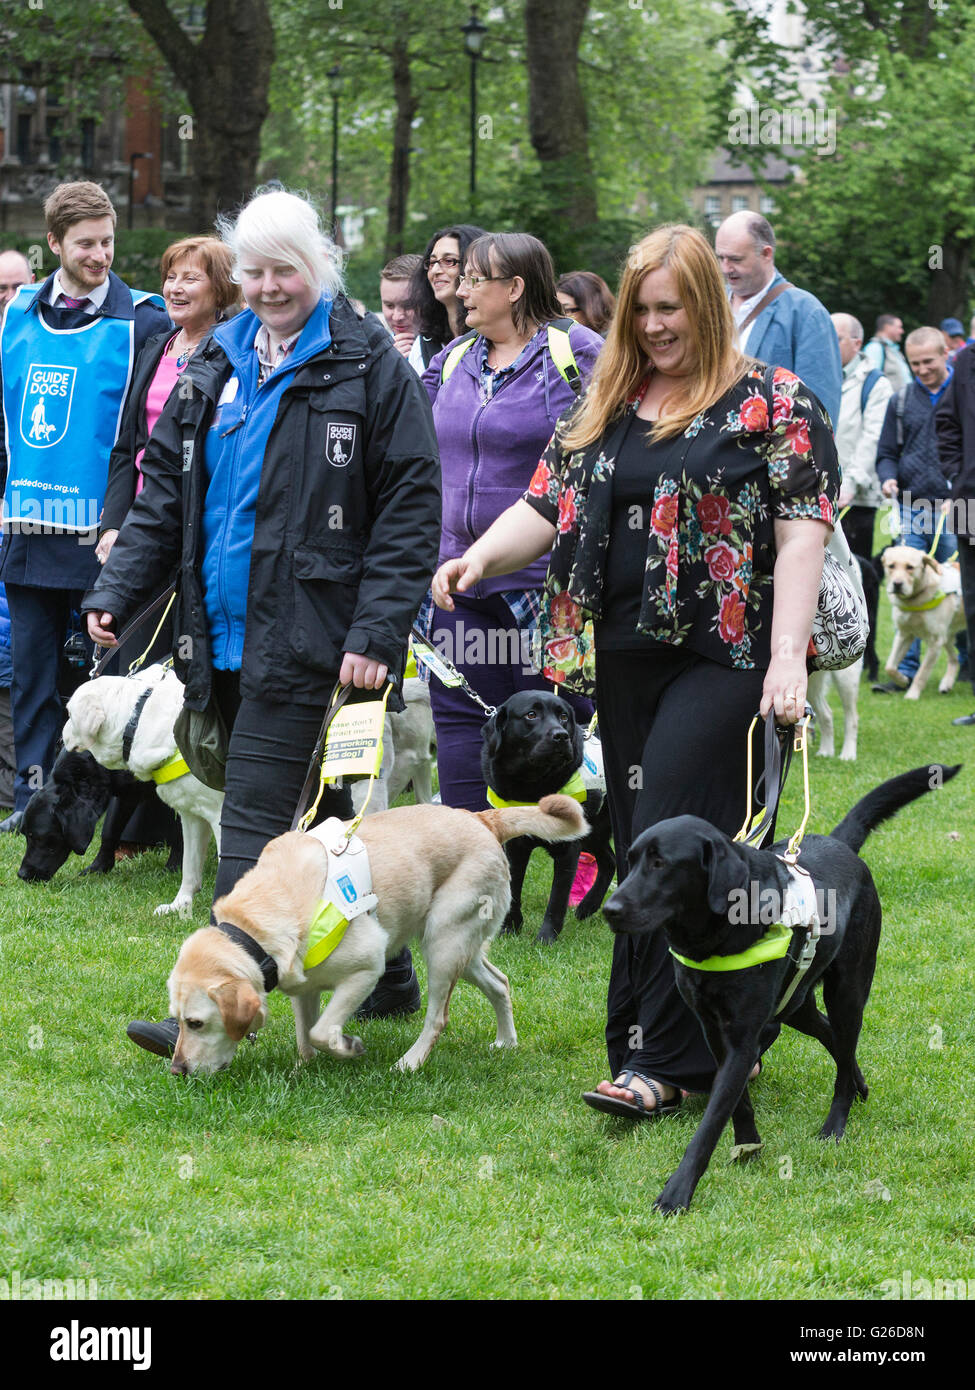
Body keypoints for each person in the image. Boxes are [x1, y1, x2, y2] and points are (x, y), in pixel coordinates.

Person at [433, 223, 839, 1116]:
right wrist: (479, 560)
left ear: (707, 305)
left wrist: (784, 665)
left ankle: (663, 1063)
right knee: (667, 846)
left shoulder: (775, 402)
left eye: (673, 309)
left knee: (665, 834)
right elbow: (544, 502)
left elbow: (801, 532)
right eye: (643, 310)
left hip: (726, 658)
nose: (656, 327)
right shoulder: (609, 404)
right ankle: (693, 1038)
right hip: (618, 656)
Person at [82, 188, 442, 1056]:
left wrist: (375, 633)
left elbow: (409, 504)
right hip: (218, 635)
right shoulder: (217, 361)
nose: (269, 286)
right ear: (234, 274)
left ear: (316, 267)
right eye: (253, 270)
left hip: (313, 635)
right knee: (332, 819)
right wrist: (116, 591)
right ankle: (388, 975)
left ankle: (204, 1012)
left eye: (286, 269)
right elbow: (165, 488)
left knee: (252, 825)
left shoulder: (365, 362)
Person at [0, 181, 170, 834]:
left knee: (113, 681)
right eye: (86, 244)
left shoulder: (144, 320)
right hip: (28, 530)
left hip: (105, 539)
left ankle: (120, 821)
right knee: (34, 679)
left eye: (108, 241)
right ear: (54, 245)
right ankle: (31, 801)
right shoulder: (16, 316)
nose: (101, 255)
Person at [421, 231, 603, 810]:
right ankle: (469, 864)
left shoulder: (577, 353)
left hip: (547, 582)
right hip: (459, 580)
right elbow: (404, 441)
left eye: (475, 279)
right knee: (463, 719)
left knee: (557, 721)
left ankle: (578, 850)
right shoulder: (451, 359)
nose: (461, 288)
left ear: (515, 288)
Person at [98, 236, 240, 563]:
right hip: (135, 520)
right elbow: (128, 444)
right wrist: (112, 526)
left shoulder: (232, 355)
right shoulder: (155, 347)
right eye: (171, 277)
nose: (175, 288)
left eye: (190, 279)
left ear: (219, 289)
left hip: (189, 525)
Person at [873, 325, 965, 693]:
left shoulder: (965, 393)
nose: (922, 369)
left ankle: (966, 666)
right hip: (911, 505)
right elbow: (886, 453)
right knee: (910, 582)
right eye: (914, 364)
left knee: (958, 588)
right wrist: (888, 478)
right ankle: (905, 672)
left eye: (928, 361)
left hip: (957, 506)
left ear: (946, 353)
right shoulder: (901, 400)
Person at [714, 210, 842, 427]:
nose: (726, 268)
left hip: (767, 456)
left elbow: (819, 417)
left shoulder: (806, 313)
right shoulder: (712, 304)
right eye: (721, 258)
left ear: (766, 254)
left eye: (735, 259)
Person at [831, 312, 892, 560]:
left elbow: (873, 438)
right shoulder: (817, 376)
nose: (829, 345)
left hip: (856, 497)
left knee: (857, 571)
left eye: (837, 339)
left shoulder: (876, 384)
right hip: (819, 493)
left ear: (857, 343)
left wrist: (851, 482)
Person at [936, 339, 975, 725]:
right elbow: (946, 421)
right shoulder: (966, 360)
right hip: (971, 501)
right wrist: (955, 473)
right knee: (974, 600)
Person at [406, 223, 486, 374]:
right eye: (432, 262)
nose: (435, 270)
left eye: (449, 261)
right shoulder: (424, 345)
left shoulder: (495, 339)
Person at [379, 253, 422, 358]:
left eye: (408, 305)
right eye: (389, 306)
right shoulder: (371, 354)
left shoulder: (451, 347)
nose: (397, 317)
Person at [556, 270, 616, 336]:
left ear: (592, 308)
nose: (558, 318)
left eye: (566, 310)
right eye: (556, 310)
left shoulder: (613, 342)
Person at [863, 313, 912, 389]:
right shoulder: (875, 348)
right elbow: (870, 380)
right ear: (887, 327)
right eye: (899, 327)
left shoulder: (893, 349)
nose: (902, 331)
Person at [0, 248, 34, 321]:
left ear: (32, 282)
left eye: (18, 287)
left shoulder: (50, 326)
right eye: (2, 288)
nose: (10, 297)